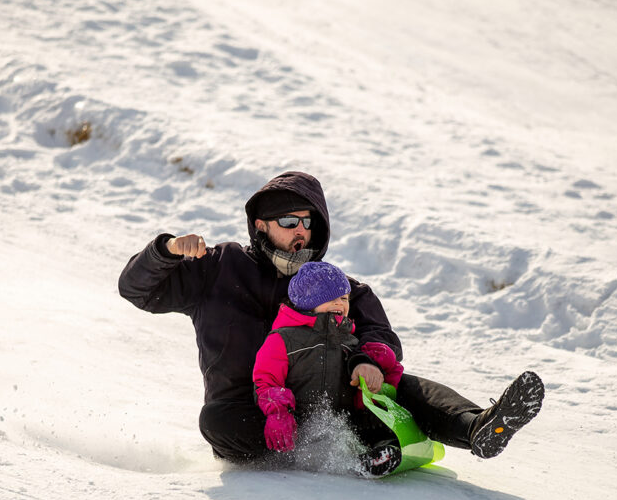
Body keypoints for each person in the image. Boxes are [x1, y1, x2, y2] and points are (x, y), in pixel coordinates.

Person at [118, 170, 543, 463]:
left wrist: (366, 361)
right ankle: (331, 449)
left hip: (327, 407)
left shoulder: (332, 284)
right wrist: (166, 251)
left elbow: (380, 332)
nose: (300, 230)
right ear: (260, 225)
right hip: (249, 412)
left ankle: (478, 430)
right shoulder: (218, 267)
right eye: (288, 220)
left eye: (308, 223)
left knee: (404, 385)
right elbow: (137, 290)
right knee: (214, 421)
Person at [252, 260, 405, 475]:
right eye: (330, 299)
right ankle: (351, 464)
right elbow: (266, 381)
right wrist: (278, 413)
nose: (339, 304)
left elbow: (379, 375)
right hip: (301, 422)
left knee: (368, 428)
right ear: (307, 302)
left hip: (346, 419)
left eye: (344, 298)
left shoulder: (348, 340)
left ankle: (376, 453)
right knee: (321, 442)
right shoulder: (282, 339)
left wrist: (382, 363)